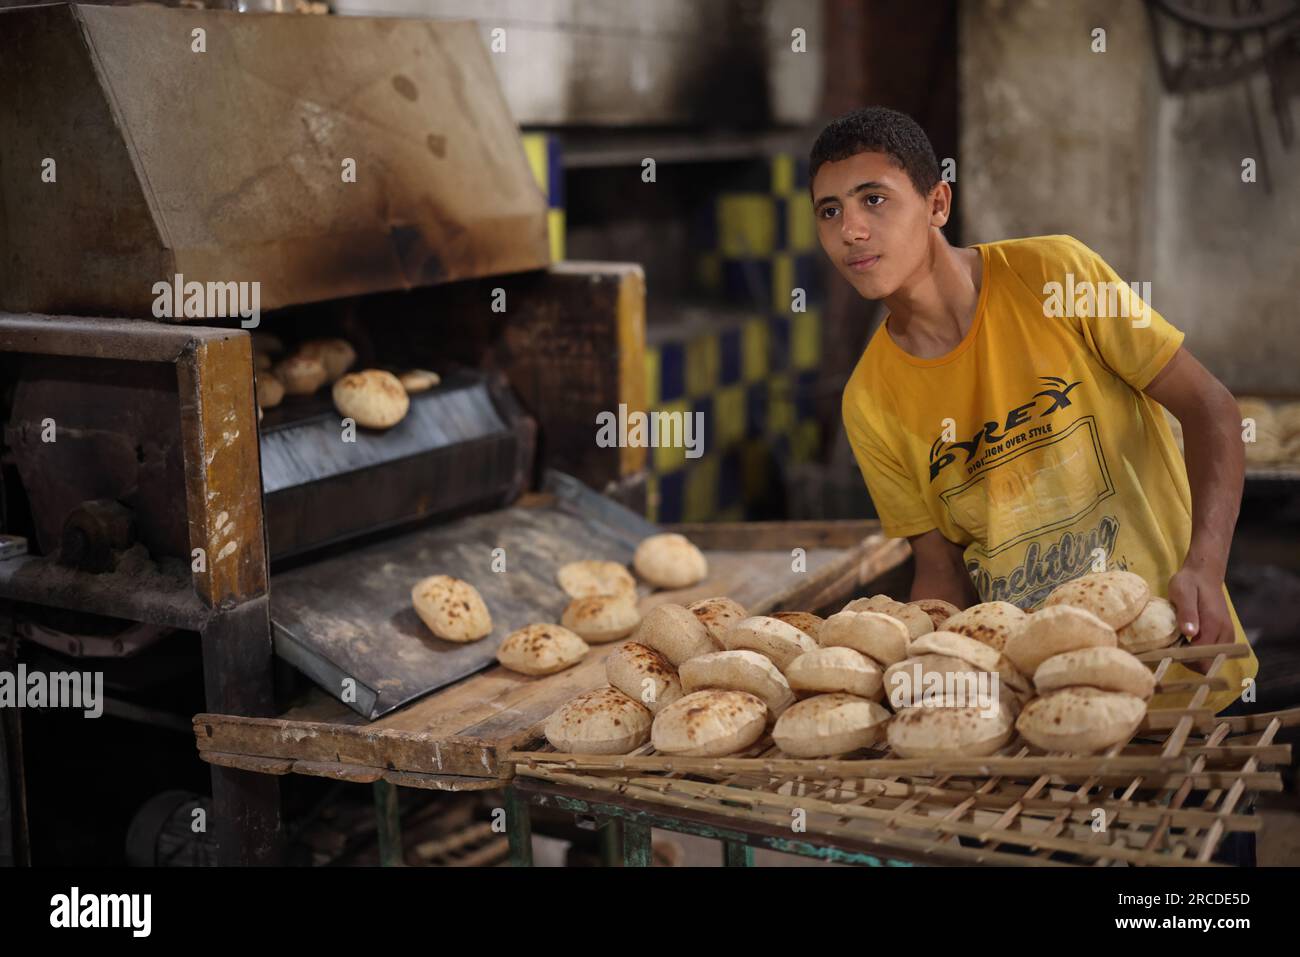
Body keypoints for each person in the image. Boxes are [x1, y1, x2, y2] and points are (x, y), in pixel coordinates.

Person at [813, 106, 1258, 715]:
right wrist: (931, 679)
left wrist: (1205, 567)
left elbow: (1211, 410)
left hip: (1181, 671)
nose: (851, 231)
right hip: (1045, 712)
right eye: (830, 211)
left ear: (938, 204)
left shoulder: (1055, 274)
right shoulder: (868, 399)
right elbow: (940, 572)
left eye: (874, 199)